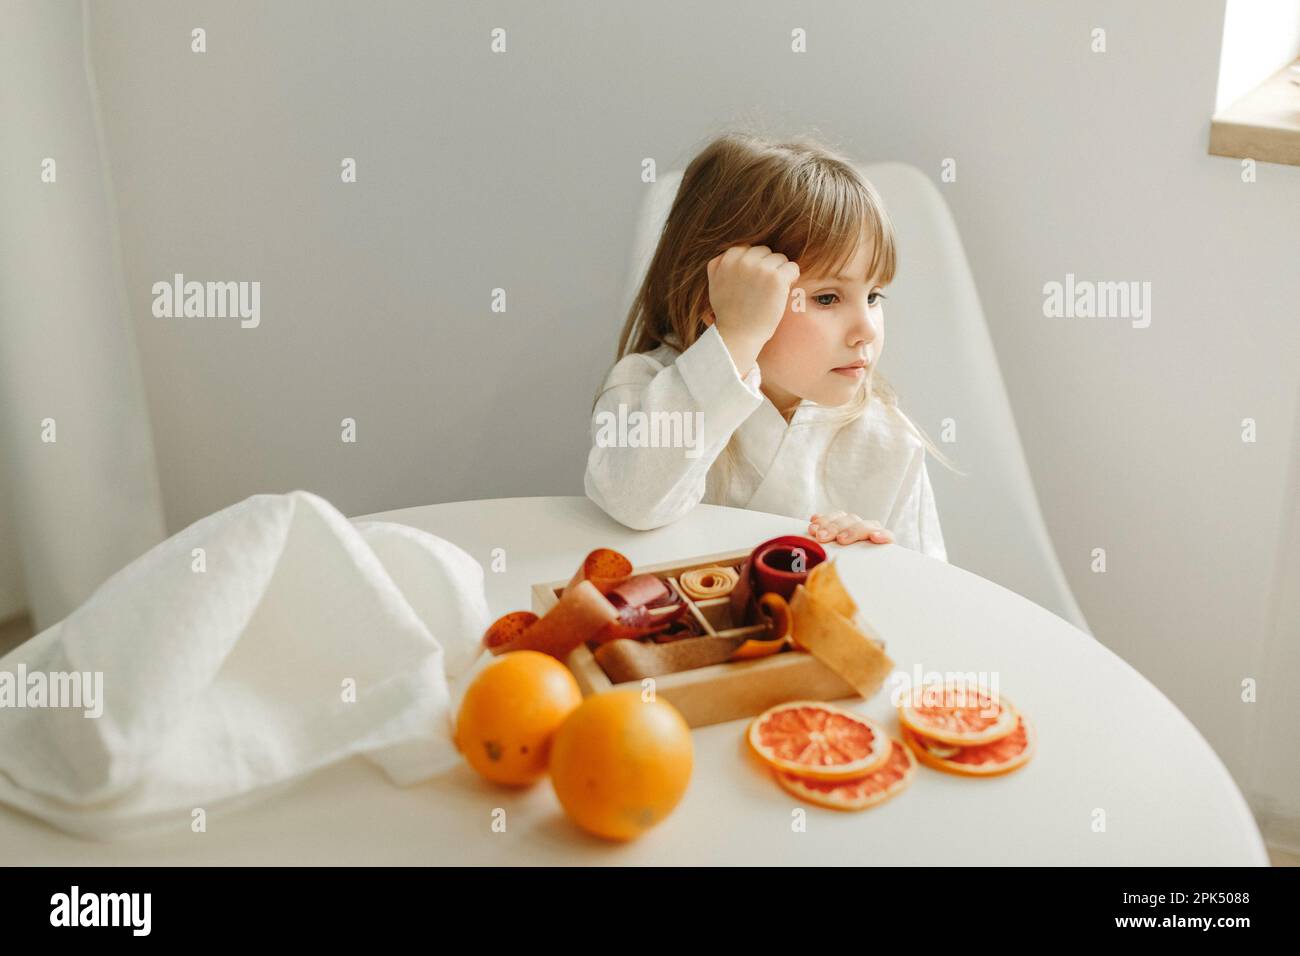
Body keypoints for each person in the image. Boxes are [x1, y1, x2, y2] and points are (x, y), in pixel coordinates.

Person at [585, 131, 957, 562]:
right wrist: (736, 336)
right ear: (719, 298)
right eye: (827, 298)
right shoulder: (644, 388)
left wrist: (875, 562)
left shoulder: (887, 440)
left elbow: (931, 597)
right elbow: (634, 502)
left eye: (873, 296)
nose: (866, 330)